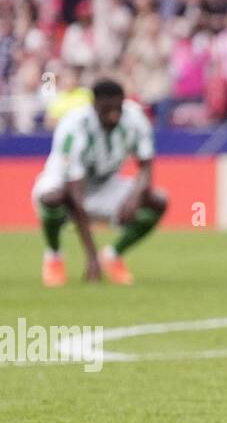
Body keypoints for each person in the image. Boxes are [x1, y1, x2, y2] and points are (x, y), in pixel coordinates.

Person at [32, 78, 169, 288]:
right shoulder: (74, 125)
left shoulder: (135, 119)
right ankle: (54, 257)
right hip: (65, 183)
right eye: (107, 109)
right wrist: (91, 256)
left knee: (157, 200)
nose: (113, 114)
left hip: (106, 183)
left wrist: (134, 198)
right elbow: (75, 194)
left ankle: (112, 256)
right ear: (94, 105)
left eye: (118, 108)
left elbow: (146, 166)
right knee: (52, 198)